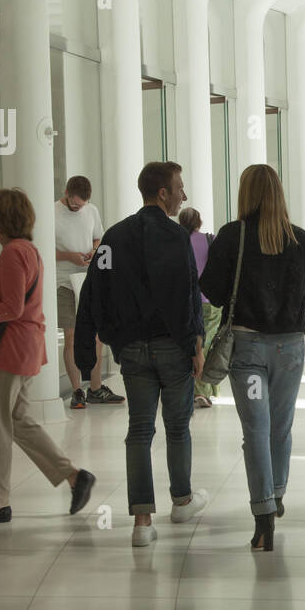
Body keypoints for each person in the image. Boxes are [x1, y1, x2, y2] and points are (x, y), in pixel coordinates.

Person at [75, 162, 209, 547]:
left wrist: (96, 345)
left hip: (132, 349)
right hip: (172, 346)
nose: (183, 195)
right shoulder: (176, 237)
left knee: (139, 430)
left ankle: (142, 522)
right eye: (179, 188)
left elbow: (93, 292)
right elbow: (189, 295)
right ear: (163, 193)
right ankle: (181, 500)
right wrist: (196, 344)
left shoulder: (114, 237)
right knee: (178, 426)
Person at [0, 188, 95, 526]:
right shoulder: (26, 250)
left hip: (9, 348)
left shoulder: (14, 253)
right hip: (23, 346)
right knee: (18, 421)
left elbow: (11, 309)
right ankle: (74, 477)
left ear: (4, 215)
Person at [200, 164, 305, 551]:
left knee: (255, 430)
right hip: (289, 348)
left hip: (249, 348)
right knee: (281, 426)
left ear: (246, 194)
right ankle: (277, 492)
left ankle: (263, 516)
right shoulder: (300, 239)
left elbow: (213, 291)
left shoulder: (231, 237)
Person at [55, 175, 123, 410]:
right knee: (71, 337)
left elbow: (98, 238)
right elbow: (43, 248)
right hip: (63, 282)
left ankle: (95, 388)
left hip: (88, 280)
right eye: (74, 204)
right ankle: (76, 390)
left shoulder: (91, 210)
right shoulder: (52, 213)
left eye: (81, 205)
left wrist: (94, 251)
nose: (78, 208)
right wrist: (68, 256)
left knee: (97, 335)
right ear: (66, 193)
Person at [179, 208, 220, 409]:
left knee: (187, 344)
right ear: (199, 222)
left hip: (183, 301)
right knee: (207, 344)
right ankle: (202, 391)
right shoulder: (210, 240)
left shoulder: (176, 241)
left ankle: (188, 388)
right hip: (208, 301)